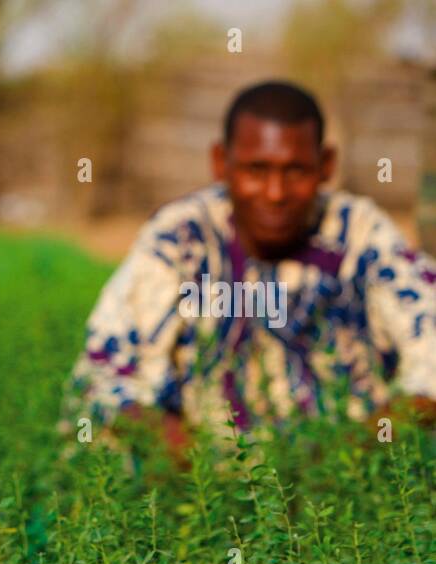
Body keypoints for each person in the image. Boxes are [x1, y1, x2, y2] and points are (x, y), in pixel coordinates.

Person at [63, 80, 436, 452]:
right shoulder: (183, 238)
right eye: (256, 170)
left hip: (345, 473)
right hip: (199, 478)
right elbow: (104, 377)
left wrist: (347, 462)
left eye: (295, 171)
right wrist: (195, 472)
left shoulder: (360, 234)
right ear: (220, 163)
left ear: (326, 166)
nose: (275, 193)